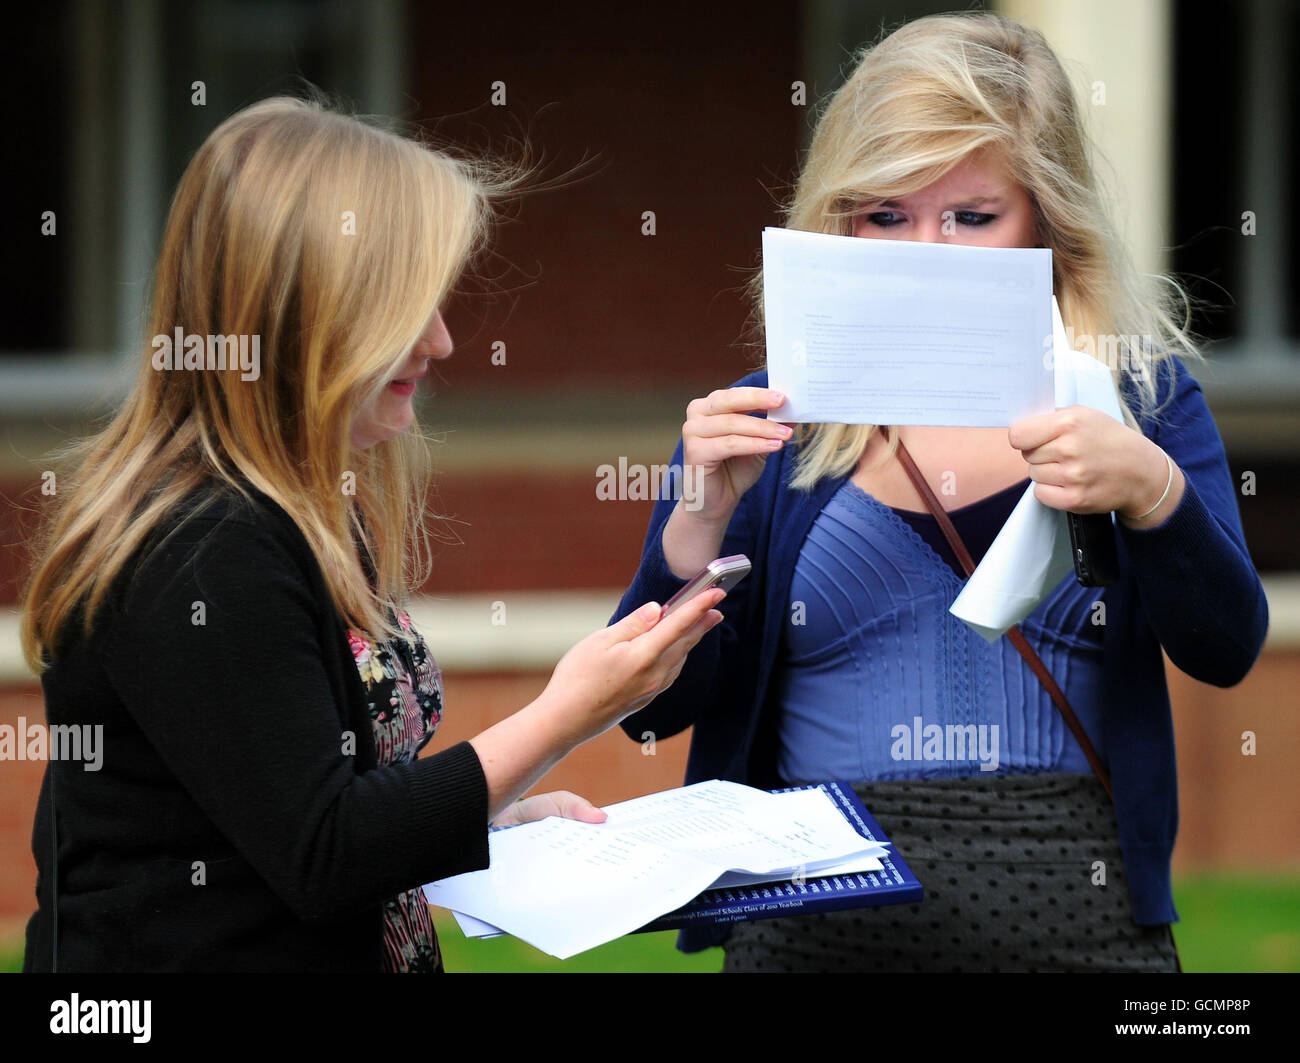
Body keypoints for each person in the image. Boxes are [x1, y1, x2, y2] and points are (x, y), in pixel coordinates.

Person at [611, 11, 1268, 972]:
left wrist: (1154, 491)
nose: (928, 250)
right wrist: (695, 527)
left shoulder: (1137, 392)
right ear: (837, 221)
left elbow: (1226, 647)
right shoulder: (773, 415)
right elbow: (646, 711)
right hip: (814, 932)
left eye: (971, 215)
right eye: (887, 215)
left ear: (1046, 214)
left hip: (1077, 921)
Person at [18, 95, 725, 973]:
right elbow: (327, 852)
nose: (441, 339)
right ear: (299, 311)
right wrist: (564, 716)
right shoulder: (199, 544)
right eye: (405, 305)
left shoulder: (301, 504)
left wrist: (492, 815)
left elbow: (292, 796)